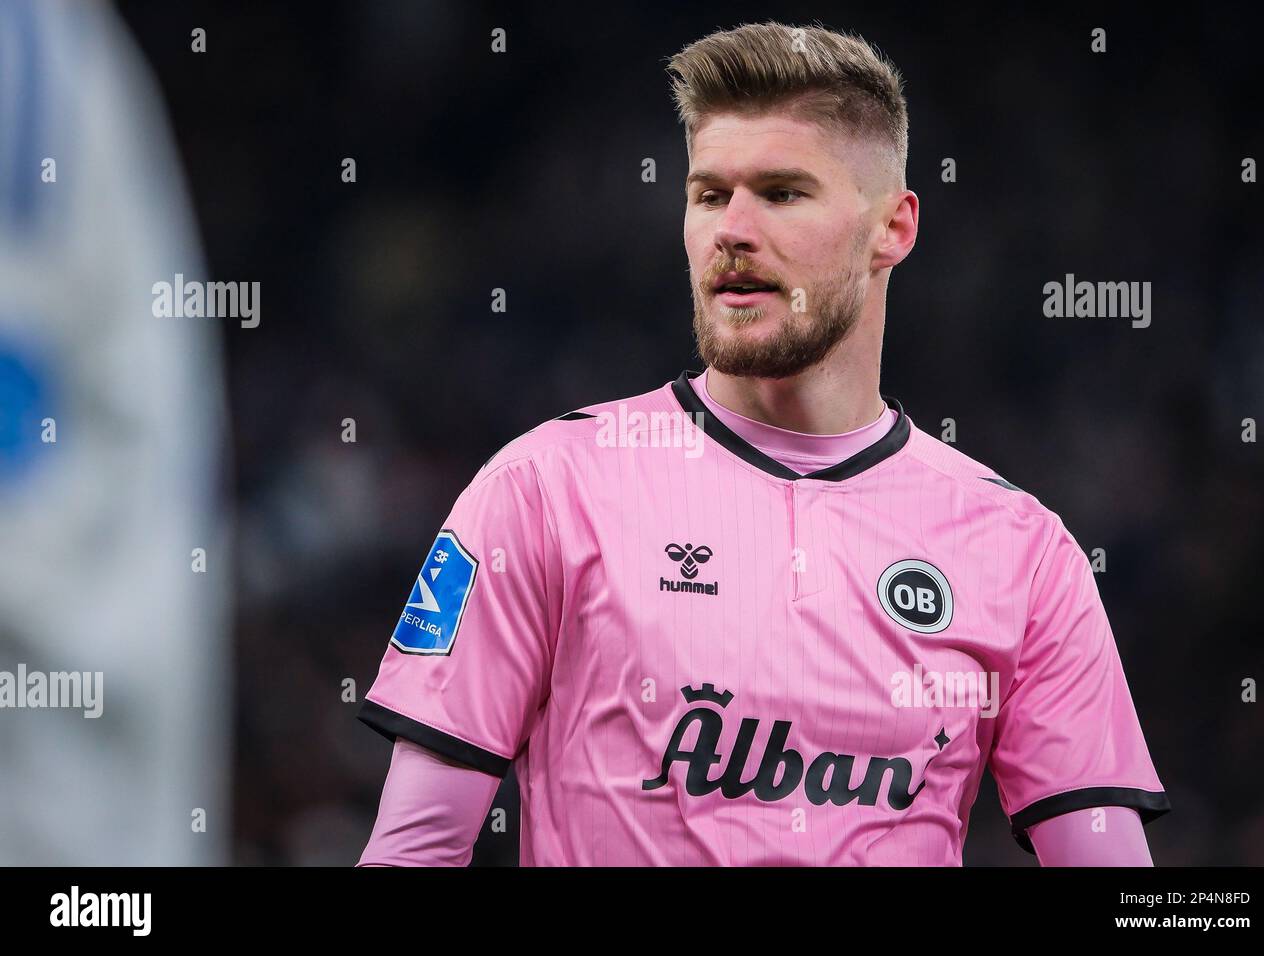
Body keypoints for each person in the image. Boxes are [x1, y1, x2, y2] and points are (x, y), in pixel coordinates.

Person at [356, 21, 1168, 866]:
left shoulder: (1023, 553)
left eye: (781, 193)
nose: (732, 230)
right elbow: (415, 851)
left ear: (893, 227)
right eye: (710, 195)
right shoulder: (542, 491)